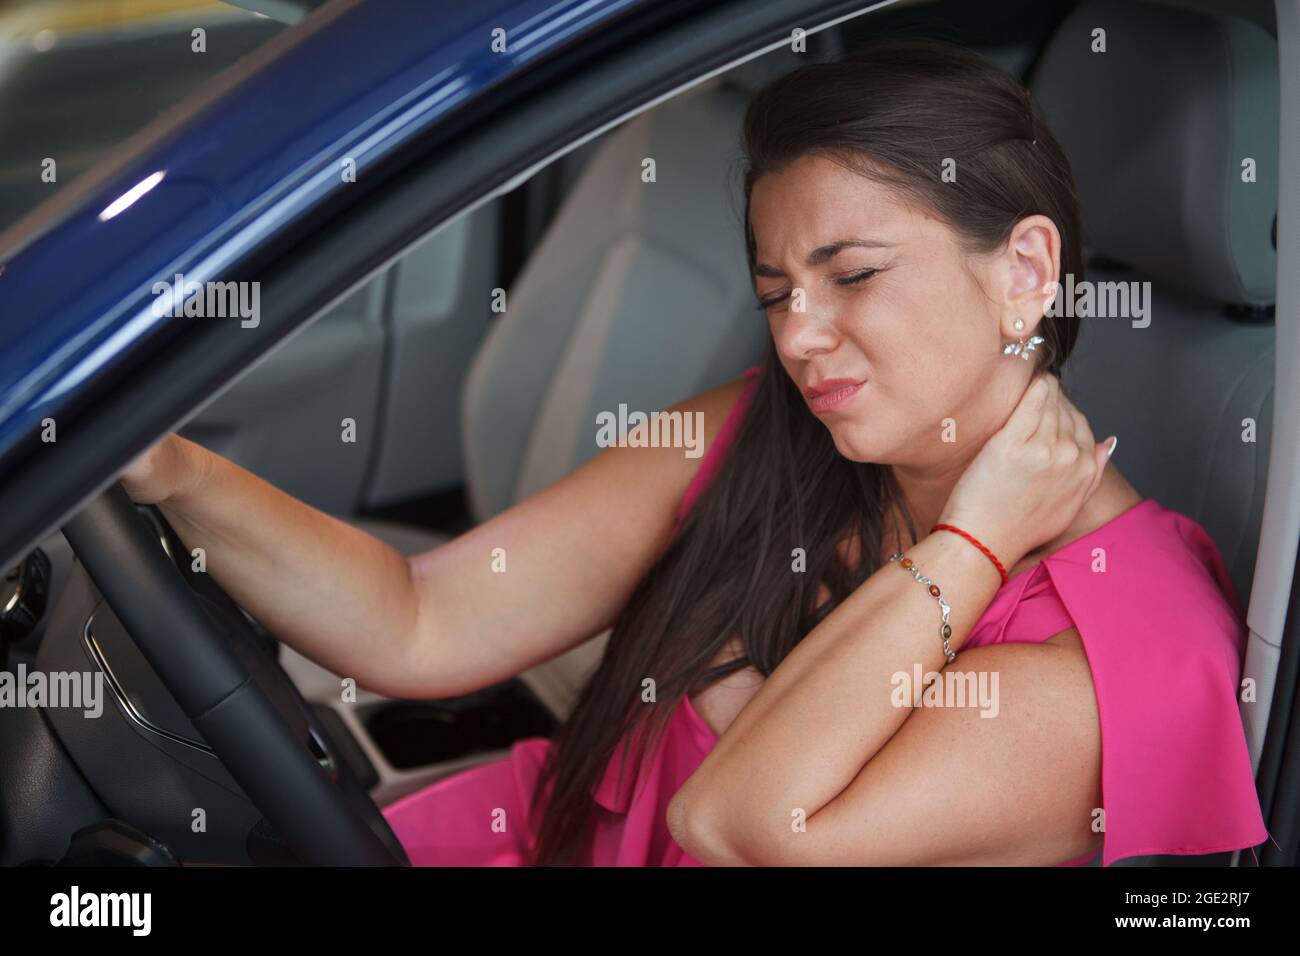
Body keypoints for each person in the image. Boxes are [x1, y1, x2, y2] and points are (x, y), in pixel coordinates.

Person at [123, 39, 1268, 866]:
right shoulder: (776, 431)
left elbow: (743, 823)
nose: (798, 334)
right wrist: (161, 468)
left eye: (852, 274)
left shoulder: (1120, 662)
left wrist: (973, 541)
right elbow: (421, 618)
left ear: (1024, 270)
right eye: (775, 291)